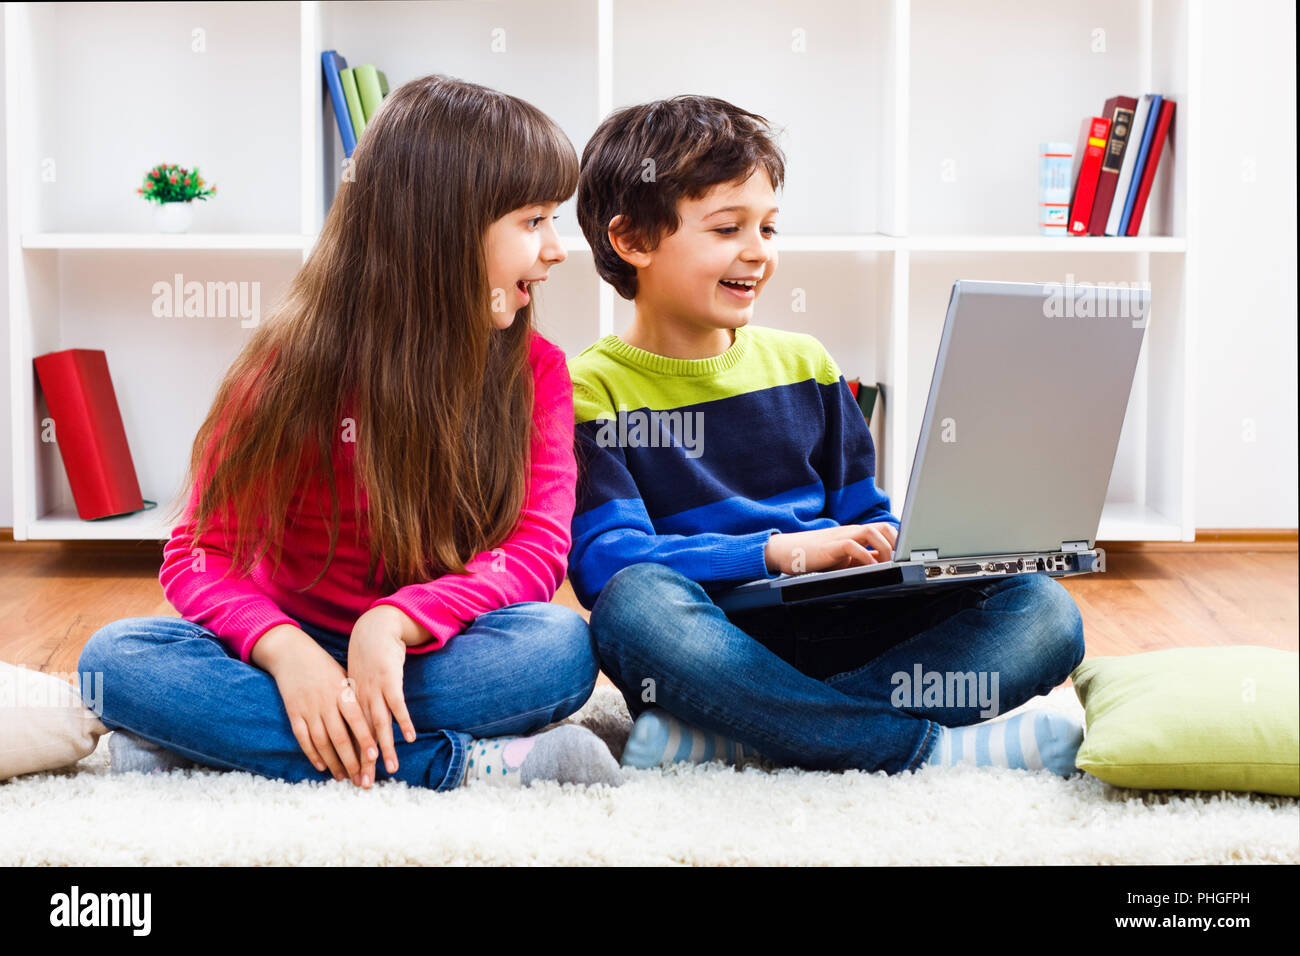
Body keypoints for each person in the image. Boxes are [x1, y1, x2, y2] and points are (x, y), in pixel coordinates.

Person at [77, 75, 622, 792]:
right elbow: (202, 552)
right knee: (114, 659)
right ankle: (459, 764)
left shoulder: (537, 374)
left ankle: (214, 747)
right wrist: (286, 653)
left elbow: (536, 550)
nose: (555, 249)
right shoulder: (288, 365)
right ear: (440, 227)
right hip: (283, 650)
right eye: (533, 221)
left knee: (558, 650)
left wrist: (397, 623)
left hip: (430, 651)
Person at [567, 94, 1087, 777]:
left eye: (769, 229)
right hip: (711, 642)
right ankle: (913, 747)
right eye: (728, 229)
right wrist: (778, 553)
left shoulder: (806, 364)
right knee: (633, 608)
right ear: (631, 240)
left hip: (846, 631)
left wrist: (893, 546)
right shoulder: (590, 388)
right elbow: (609, 562)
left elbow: (862, 511)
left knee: (1045, 611)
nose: (758, 253)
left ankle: (756, 734)